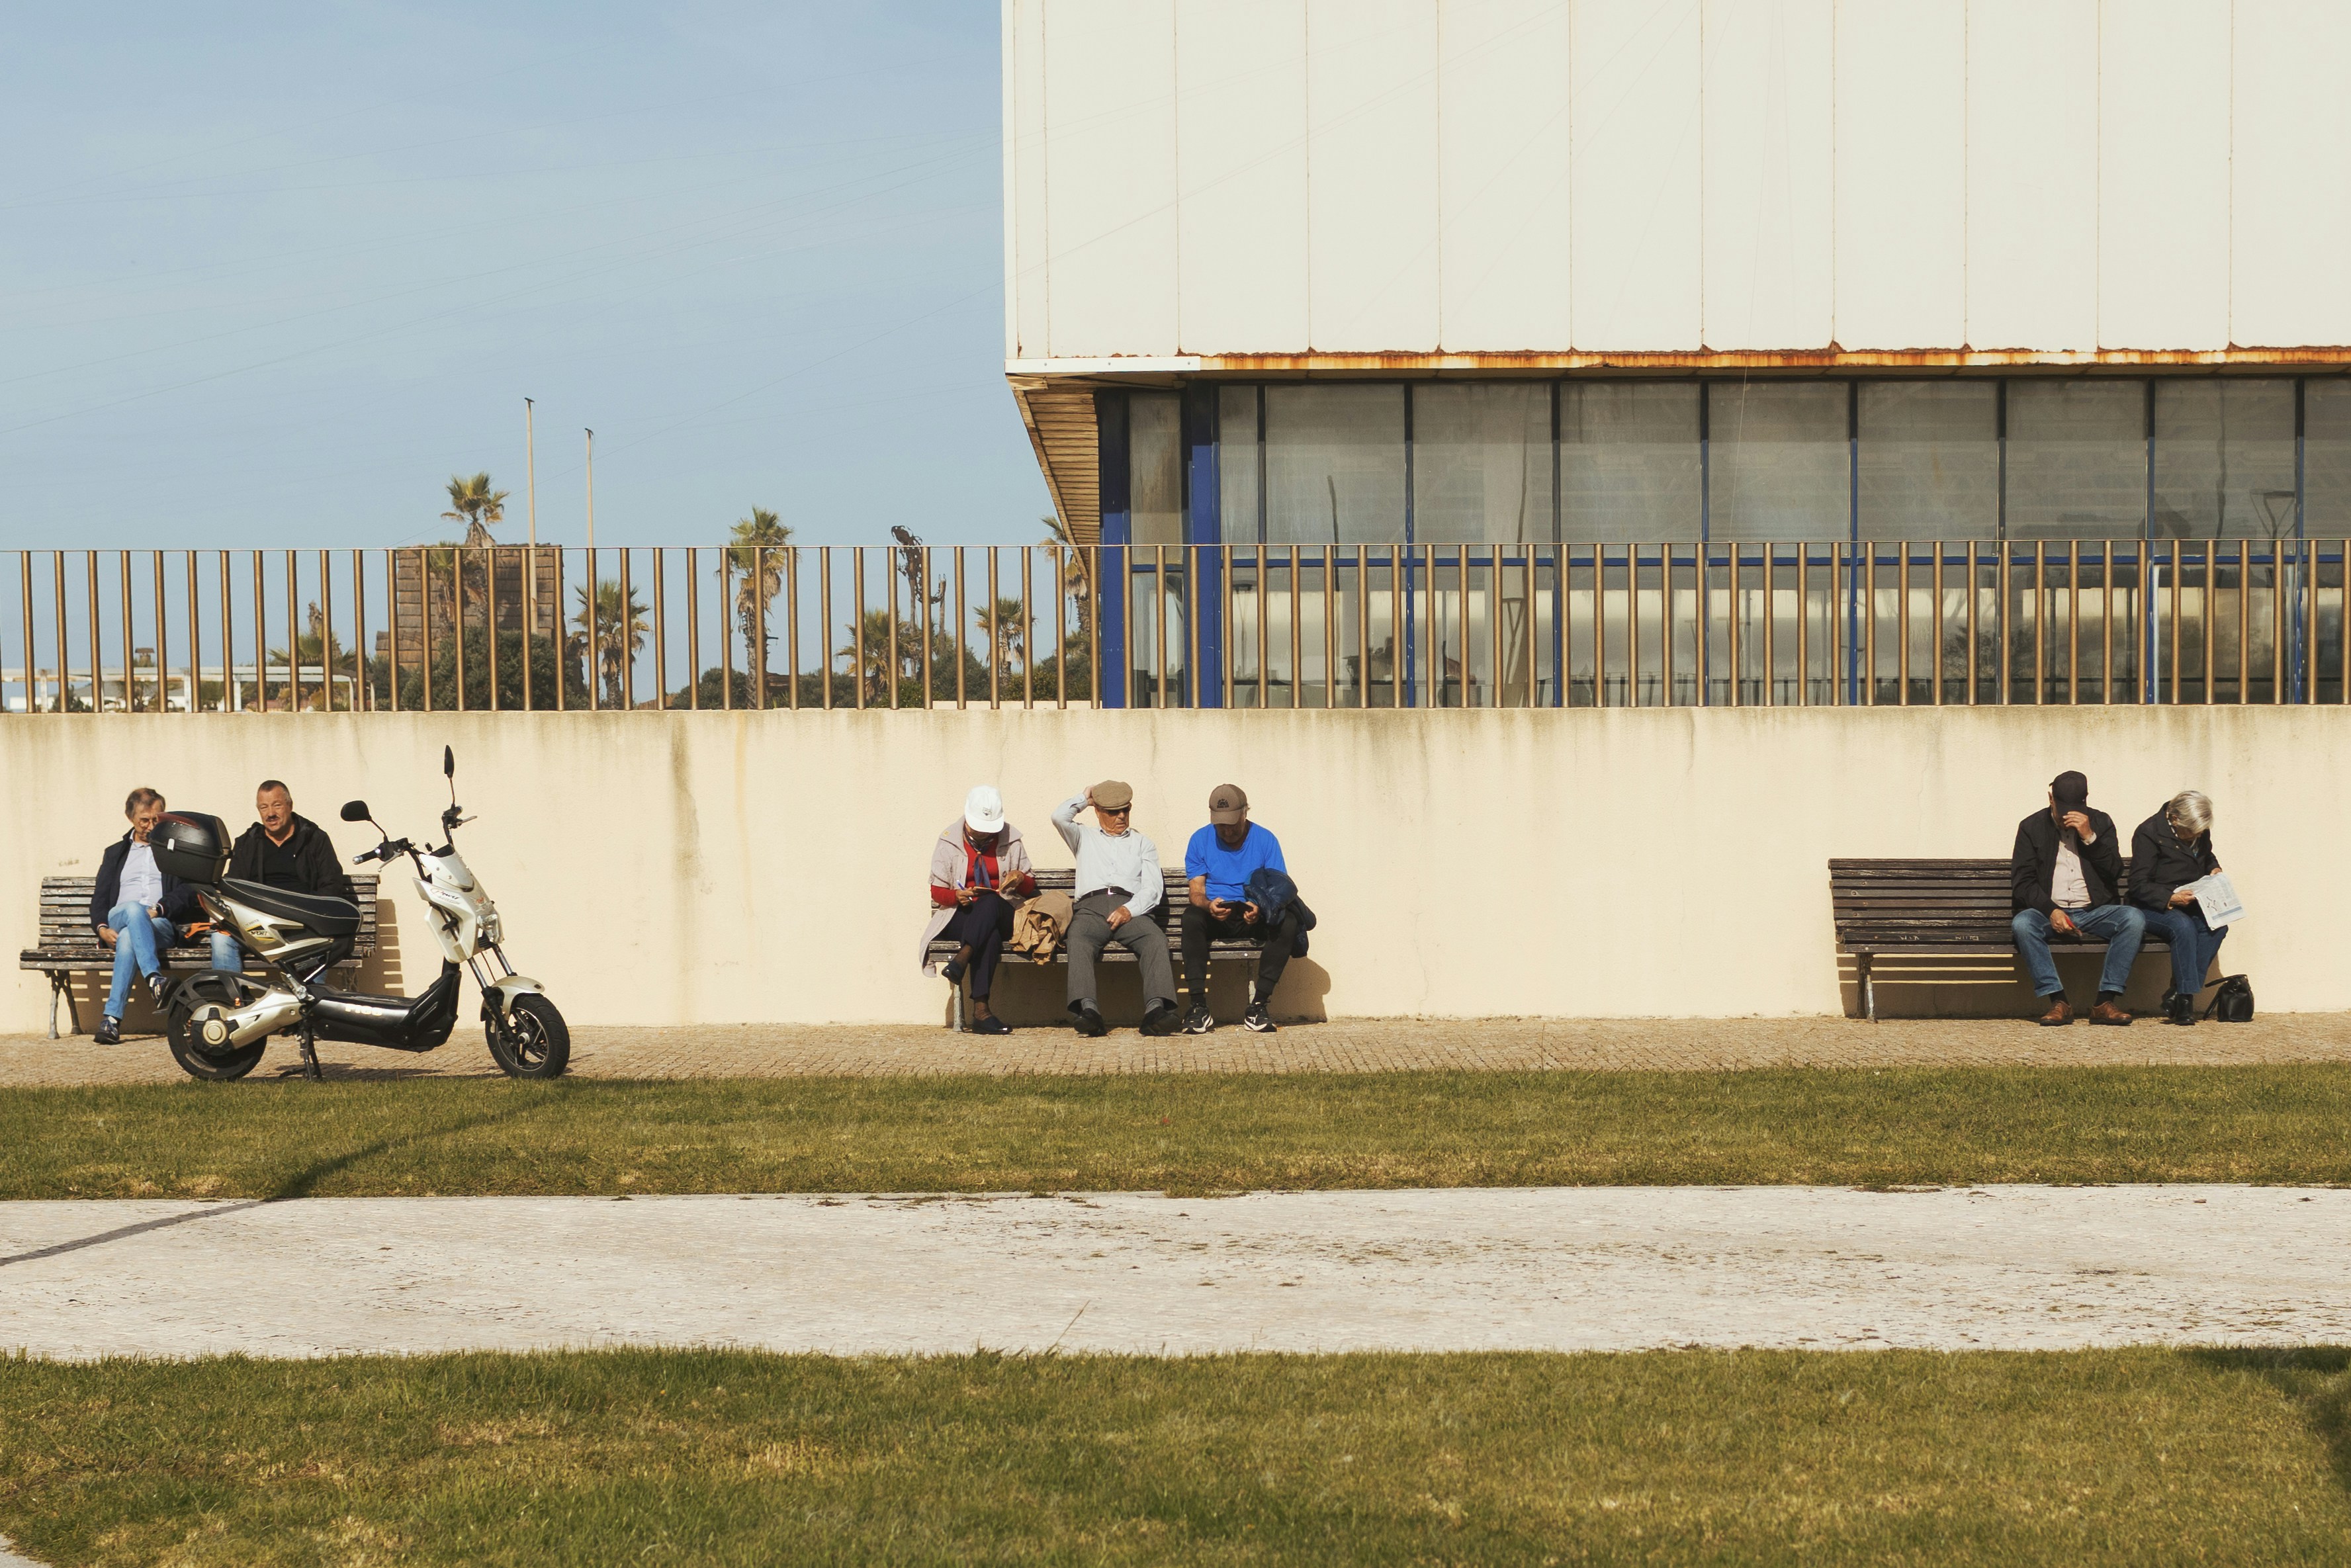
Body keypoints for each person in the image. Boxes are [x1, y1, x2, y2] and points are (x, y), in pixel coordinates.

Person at [2010, 769, 2147, 1026]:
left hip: (2093, 910)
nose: (2066, 817)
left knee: (2133, 918)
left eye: (2074, 809)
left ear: (2085, 801)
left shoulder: (2101, 822)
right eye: (2062, 809)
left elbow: (2115, 871)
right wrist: (2051, 910)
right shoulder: (2031, 827)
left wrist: (2089, 838)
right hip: (2047, 911)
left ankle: (2104, 1002)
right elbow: (2023, 883)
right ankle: (2058, 1001)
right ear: (2051, 798)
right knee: (2023, 924)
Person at [1052, 779, 1179, 1037]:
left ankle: (1156, 1011)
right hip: (1090, 908)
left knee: (1155, 939)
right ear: (1098, 811)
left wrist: (1129, 910)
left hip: (1131, 907)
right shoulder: (1083, 836)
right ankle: (1088, 1011)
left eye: (1125, 810)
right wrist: (1085, 799)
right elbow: (1059, 817)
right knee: (1078, 938)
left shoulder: (1143, 843)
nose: (1121, 816)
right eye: (1112, 811)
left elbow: (1153, 888)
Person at [1178, 784, 1304, 1035]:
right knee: (1191, 917)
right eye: (1221, 825)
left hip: (1253, 911)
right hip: (1218, 912)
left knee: (1288, 921)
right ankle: (1198, 1008)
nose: (1227, 830)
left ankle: (1259, 1006)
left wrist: (1259, 906)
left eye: (1233, 823)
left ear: (1245, 812)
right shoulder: (1200, 840)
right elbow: (1196, 893)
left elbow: (1278, 887)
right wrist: (1208, 906)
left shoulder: (1265, 839)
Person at [920, 785, 1038, 1035]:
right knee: (990, 933)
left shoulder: (1012, 840)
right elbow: (937, 891)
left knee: (991, 902)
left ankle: (962, 958)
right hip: (962, 914)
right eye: (979, 829)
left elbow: (1030, 886)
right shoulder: (948, 841)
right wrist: (956, 896)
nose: (985, 835)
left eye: (989, 830)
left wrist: (1019, 878)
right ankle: (982, 1013)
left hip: (1005, 911)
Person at [89, 787, 199, 1045]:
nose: (151, 826)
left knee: (129, 937)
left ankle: (111, 1021)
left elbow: (188, 891)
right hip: (120, 918)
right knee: (132, 910)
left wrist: (160, 909)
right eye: (144, 820)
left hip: (158, 923)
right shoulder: (115, 853)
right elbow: (100, 900)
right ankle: (155, 979)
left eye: (156, 820)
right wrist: (102, 929)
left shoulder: (173, 851)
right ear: (130, 818)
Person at [212, 779, 355, 974]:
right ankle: (233, 1001)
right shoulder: (248, 843)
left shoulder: (315, 838)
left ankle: (309, 1001)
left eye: (277, 805)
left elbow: (331, 884)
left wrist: (311, 918)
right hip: (260, 928)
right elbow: (233, 887)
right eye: (264, 807)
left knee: (316, 945)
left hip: (302, 928)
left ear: (290, 806)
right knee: (221, 939)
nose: (271, 814)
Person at [2131, 789, 2227, 1025]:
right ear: (2174, 819)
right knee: (2183, 927)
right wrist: (2170, 898)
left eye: (2199, 832)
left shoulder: (2198, 830)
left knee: (2217, 925)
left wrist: (2213, 869)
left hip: (2191, 902)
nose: (2195, 835)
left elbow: (2207, 856)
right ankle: (2185, 1002)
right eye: (2190, 832)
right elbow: (2138, 884)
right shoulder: (2149, 832)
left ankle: (2176, 993)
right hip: (2154, 906)